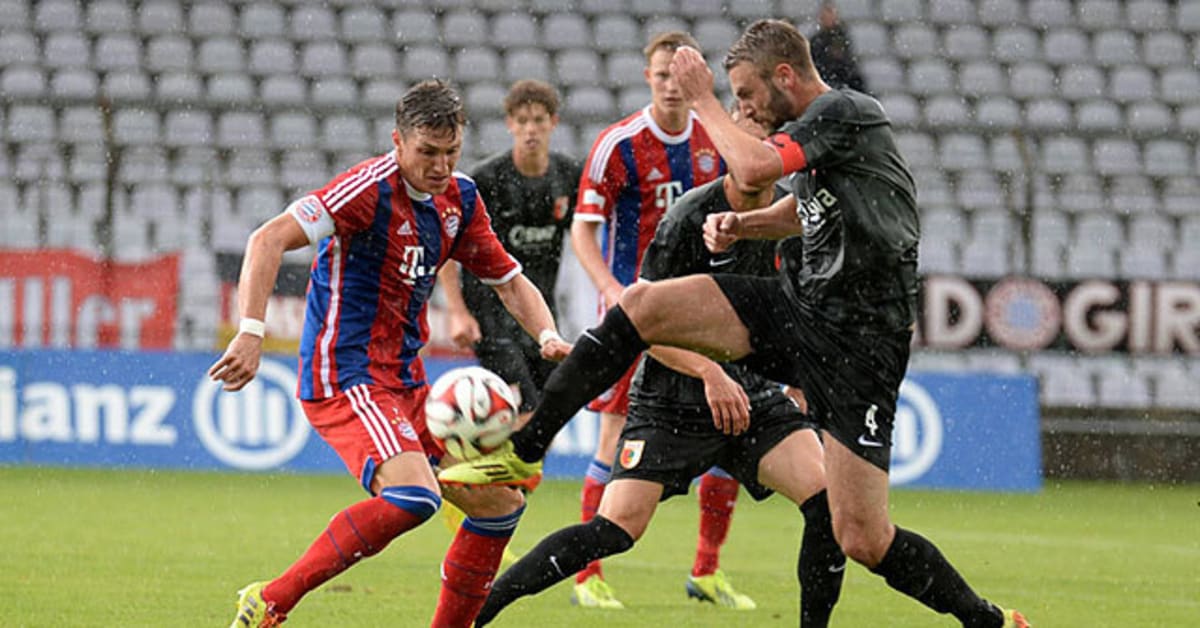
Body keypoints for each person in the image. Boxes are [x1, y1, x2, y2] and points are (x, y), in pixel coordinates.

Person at [443, 20, 1031, 628]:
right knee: (642, 305)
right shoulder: (720, 199)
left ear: (784, 76)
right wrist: (746, 227)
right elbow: (805, 210)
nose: (740, 108)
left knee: (861, 535)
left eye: (745, 95)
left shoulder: (846, 112)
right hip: (795, 324)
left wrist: (699, 97)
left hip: (862, 349)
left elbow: (753, 171)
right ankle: (523, 452)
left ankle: (985, 621)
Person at [210, 79, 571, 628]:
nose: (440, 165)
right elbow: (267, 239)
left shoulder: (461, 199)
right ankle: (272, 600)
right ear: (397, 141)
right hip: (347, 374)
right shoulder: (366, 190)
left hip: (407, 383)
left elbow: (510, 281)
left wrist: (546, 335)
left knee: (500, 506)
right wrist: (251, 330)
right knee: (413, 497)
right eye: (427, 152)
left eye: (451, 152)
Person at [472, 111, 846, 628]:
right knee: (616, 528)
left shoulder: (794, 216)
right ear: (726, 139)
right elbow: (640, 326)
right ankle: (481, 608)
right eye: (745, 130)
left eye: (766, 133)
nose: (756, 142)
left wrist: (798, 383)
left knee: (828, 504)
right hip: (671, 400)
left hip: (752, 396)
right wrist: (710, 373)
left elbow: (799, 308)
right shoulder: (689, 217)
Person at [564, 30, 750, 610]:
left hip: (699, 312)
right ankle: (587, 576)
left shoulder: (716, 142)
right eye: (662, 74)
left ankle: (707, 571)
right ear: (649, 77)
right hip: (634, 314)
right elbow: (583, 229)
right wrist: (612, 292)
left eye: (681, 74)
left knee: (728, 433)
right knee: (615, 440)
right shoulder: (618, 144)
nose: (671, 85)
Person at [436, 79, 581, 564]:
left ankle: (471, 486)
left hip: (540, 315)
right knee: (526, 412)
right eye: (522, 122)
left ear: (552, 124)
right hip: (491, 311)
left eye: (539, 121)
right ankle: (487, 511)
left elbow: (588, 233)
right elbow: (448, 252)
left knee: (548, 411)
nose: (531, 130)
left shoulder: (568, 178)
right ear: (510, 126)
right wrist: (457, 311)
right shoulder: (487, 180)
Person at [809, 2, 868, 93]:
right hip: (825, 79)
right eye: (826, 14)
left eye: (831, 14)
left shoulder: (842, 37)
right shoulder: (816, 40)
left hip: (842, 80)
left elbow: (845, 63)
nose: (828, 18)